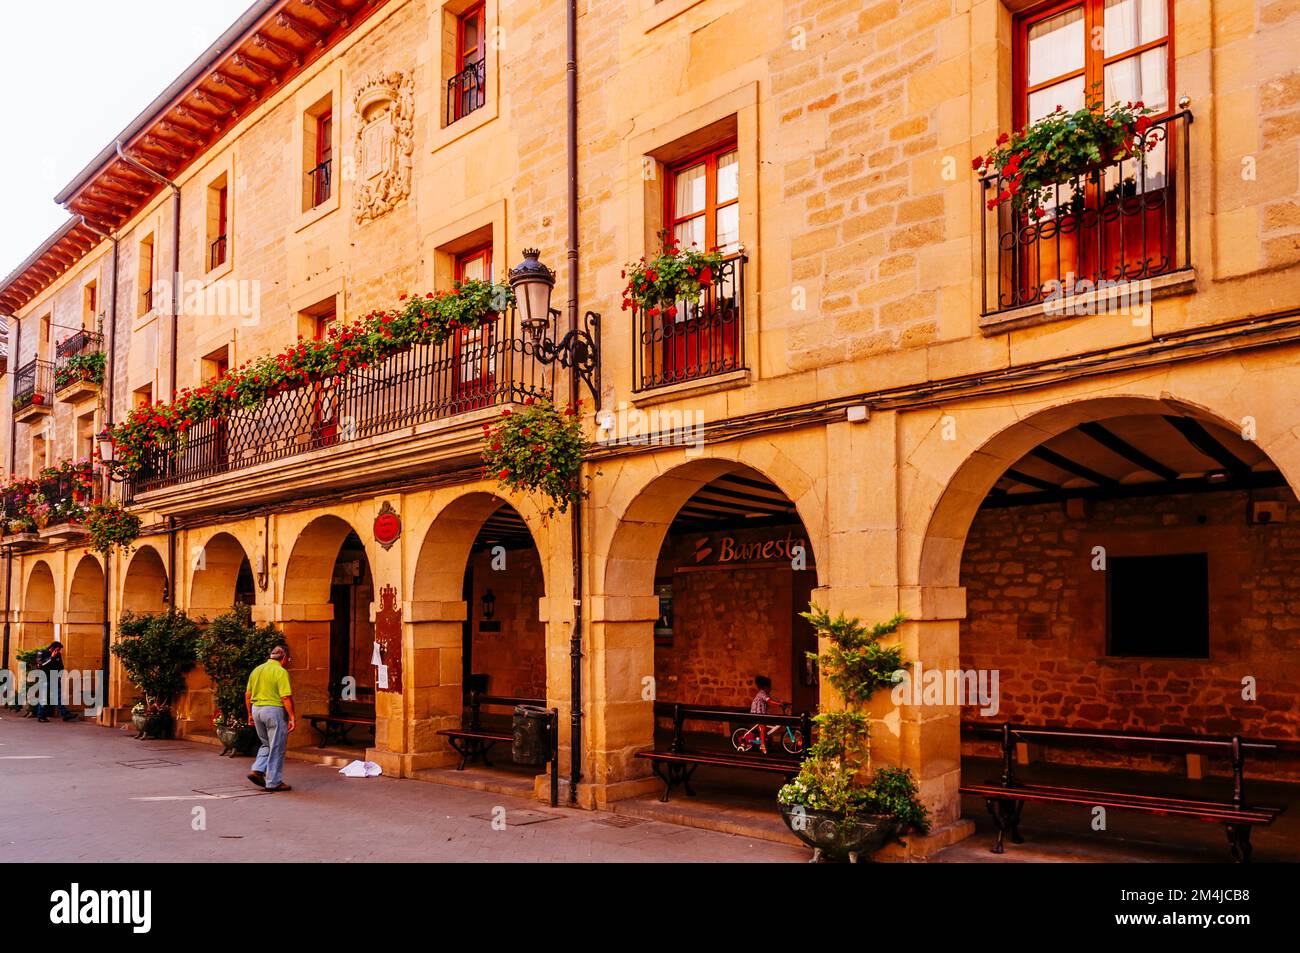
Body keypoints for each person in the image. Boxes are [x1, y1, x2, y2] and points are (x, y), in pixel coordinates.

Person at [245, 644, 296, 792]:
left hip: (256, 709)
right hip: (273, 711)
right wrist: (292, 717)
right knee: (277, 746)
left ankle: (257, 770)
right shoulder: (280, 671)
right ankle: (274, 781)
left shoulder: (257, 670)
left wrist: (249, 714)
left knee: (266, 743)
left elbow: (248, 695)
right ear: (284, 658)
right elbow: (285, 697)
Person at [34, 642, 75, 723]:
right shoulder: (42, 653)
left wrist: (59, 676)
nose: (58, 651)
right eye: (57, 649)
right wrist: (51, 658)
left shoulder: (58, 655)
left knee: (58, 698)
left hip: (55, 678)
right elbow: (40, 665)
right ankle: (41, 716)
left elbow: (61, 666)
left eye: (59, 649)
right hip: (44, 678)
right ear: (52, 647)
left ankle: (65, 714)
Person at [748, 675, 784, 754]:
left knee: (766, 726)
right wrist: (778, 704)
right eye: (770, 687)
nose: (771, 689)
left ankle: (766, 740)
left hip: (762, 713)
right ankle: (762, 745)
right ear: (765, 687)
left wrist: (781, 702)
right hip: (757, 714)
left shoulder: (765, 693)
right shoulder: (762, 693)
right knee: (763, 727)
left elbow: (771, 699)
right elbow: (769, 701)